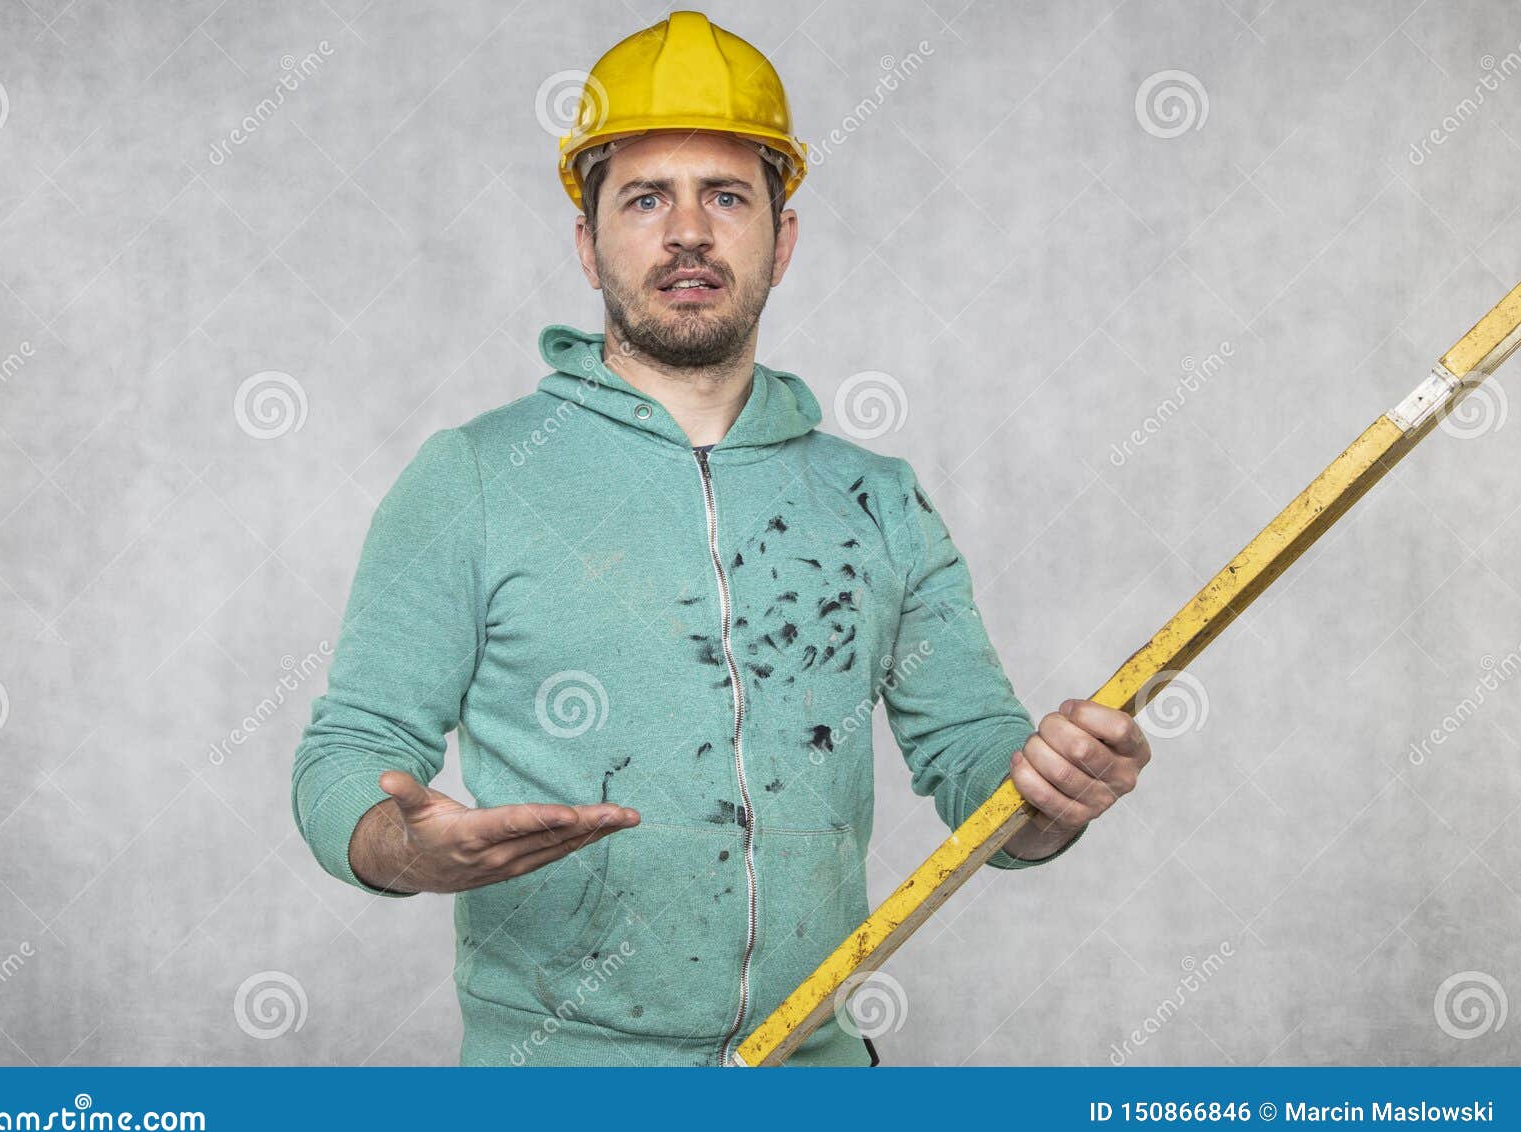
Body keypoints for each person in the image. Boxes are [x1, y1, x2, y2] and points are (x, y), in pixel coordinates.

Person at [290, 10, 1150, 1068]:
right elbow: (348, 754)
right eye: (646, 198)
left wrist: (1050, 795)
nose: (687, 231)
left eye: (726, 197)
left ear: (781, 241)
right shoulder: (473, 477)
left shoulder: (876, 499)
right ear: (587, 239)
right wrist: (401, 850)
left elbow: (977, 764)